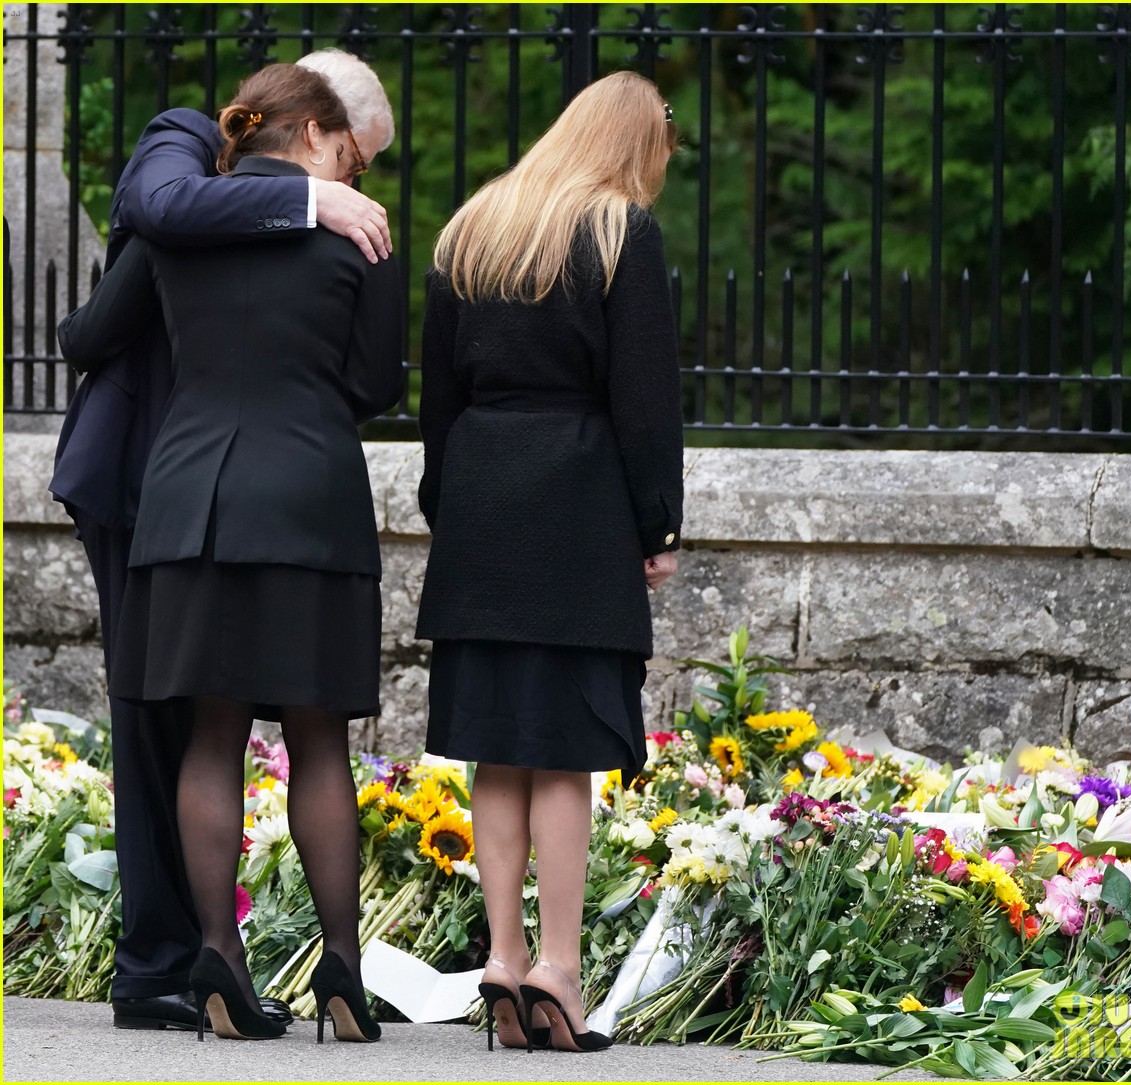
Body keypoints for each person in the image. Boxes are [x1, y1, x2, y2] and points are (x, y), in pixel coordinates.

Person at [48, 50, 394, 1033]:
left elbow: (90, 332)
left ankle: (216, 957)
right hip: (310, 496)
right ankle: (342, 967)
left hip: (189, 493)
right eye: (351, 155)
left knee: (211, 734)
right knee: (318, 735)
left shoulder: (176, 235)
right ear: (316, 134)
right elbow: (375, 385)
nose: (354, 176)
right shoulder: (355, 236)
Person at [416, 70, 683, 1053]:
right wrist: (656, 525)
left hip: (480, 501)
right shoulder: (618, 232)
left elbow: (436, 401)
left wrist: (450, 508)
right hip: (578, 506)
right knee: (564, 749)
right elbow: (644, 399)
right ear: (635, 145)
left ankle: (501, 955)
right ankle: (559, 971)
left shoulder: (474, 228)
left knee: (496, 744)